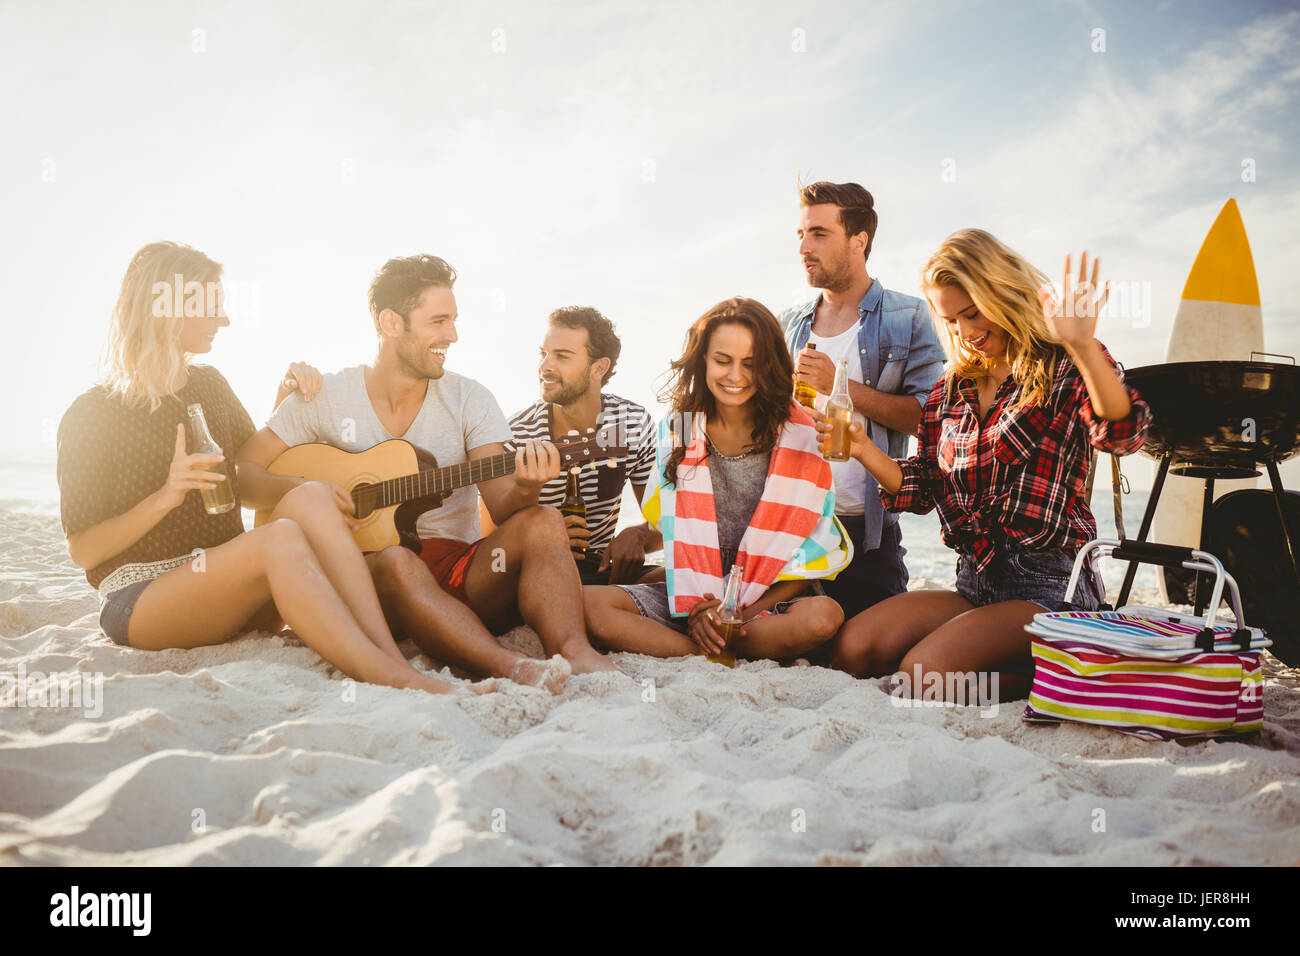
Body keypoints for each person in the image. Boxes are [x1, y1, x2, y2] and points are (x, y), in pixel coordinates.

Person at [57, 241, 484, 696]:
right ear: (167, 309)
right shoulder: (92, 413)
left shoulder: (210, 385)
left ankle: (387, 654)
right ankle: (393, 674)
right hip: (142, 598)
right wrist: (168, 493)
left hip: (229, 587)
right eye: (212, 308)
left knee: (311, 494)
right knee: (280, 539)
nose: (223, 320)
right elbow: (84, 550)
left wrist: (287, 402)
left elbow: (252, 479)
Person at [235, 255, 613, 689]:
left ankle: (574, 651)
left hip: (462, 572)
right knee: (397, 559)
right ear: (391, 323)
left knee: (545, 521)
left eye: (453, 320)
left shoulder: (470, 398)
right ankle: (510, 667)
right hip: (370, 584)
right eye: (438, 321)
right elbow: (243, 473)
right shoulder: (325, 396)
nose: (452, 335)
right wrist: (310, 491)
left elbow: (504, 506)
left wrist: (528, 488)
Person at [821, 229, 1153, 701]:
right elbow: (923, 487)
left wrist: (1081, 346)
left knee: (923, 675)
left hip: (1050, 589)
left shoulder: (1062, 364)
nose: (964, 331)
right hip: (973, 583)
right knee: (853, 649)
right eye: (951, 319)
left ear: (1000, 292)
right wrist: (861, 448)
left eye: (972, 312)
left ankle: (1069, 674)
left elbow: (1123, 435)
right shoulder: (949, 389)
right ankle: (1042, 674)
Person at [583, 298, 850, 661]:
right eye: (722, 361)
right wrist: (699, 611)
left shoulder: (803, 433)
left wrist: (740, 616)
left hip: (770, 597)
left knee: (823, 618)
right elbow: (677, 526)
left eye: (750, 364)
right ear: (703, 359)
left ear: (769, 365)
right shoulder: (678, 429)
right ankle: (708, 650)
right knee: (588, 605)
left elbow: (808, 557)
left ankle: (714, 645)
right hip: (696, 592)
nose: (735, 376)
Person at [779, 181, 947, 621]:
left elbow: (930, 421)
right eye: (801, 234)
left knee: (869, 660)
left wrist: (842, 386)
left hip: (868, 534)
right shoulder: (787, 324)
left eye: (818, 233)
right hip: (791, 525)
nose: (804, 247)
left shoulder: (909, 316)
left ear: (859, 240)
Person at [497, 306, 661, 586]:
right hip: (532, 573)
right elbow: (490, 544)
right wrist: (543, 536)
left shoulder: (632, 423)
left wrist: (638, 535)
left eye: (561, 356)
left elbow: (665, 520)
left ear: (599, 367)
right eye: (543, 354)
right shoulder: (516, 432)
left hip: (599, 569)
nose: (544, 366)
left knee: (681, 582)